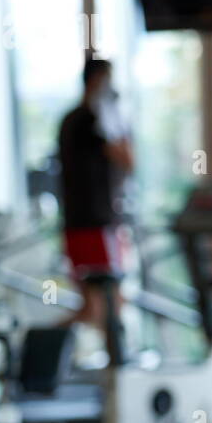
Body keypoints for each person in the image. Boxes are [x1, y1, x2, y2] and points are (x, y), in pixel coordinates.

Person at [56, 56, 134, 342]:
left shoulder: (71, 120)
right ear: (97, 81)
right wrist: (115, 118)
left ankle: (38, 352)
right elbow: (127, 159)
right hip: (97, 226)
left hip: (75, 225)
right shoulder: (95, 120)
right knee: (108, 305)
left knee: (92, 309)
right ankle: (116, 370)